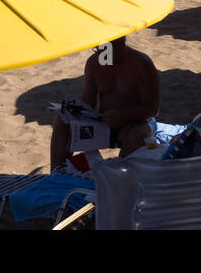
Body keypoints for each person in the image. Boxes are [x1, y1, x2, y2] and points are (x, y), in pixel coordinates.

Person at [49, 35, 160, 172]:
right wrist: (74, 109)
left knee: (140, 132)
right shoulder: (94, 63)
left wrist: (124, 116)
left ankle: (118, 176)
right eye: (99, 49)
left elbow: (152, 109)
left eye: (108, 49)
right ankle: (57, 173)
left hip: (133, 123)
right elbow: (88, 100)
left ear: (122, 42)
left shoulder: (141, 64)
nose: (103, 53)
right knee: (62, 119)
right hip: (104, 122)